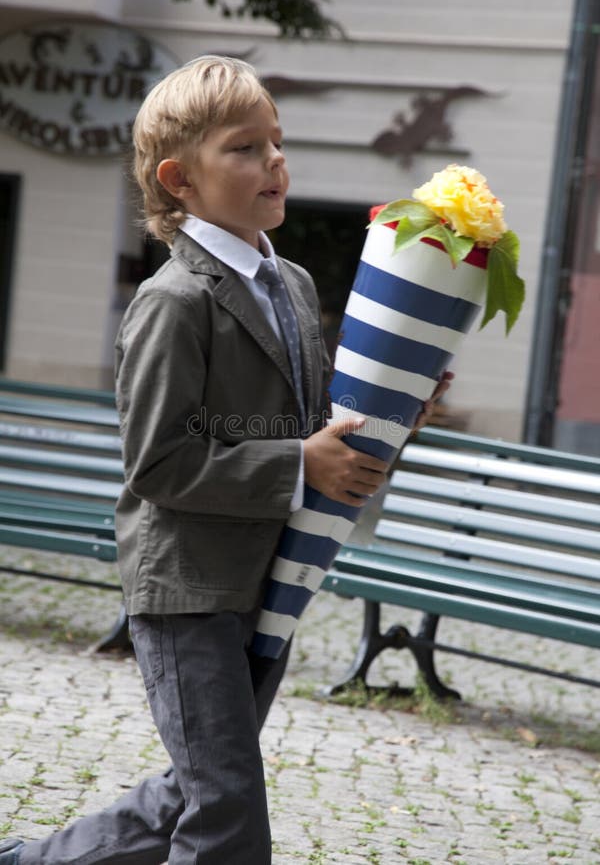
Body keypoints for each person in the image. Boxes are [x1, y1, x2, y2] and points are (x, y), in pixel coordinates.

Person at [0, 55, 451, 865]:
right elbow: (158, 461)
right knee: (226, 809)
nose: (274, 160)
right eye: (245, 148)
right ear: (181, 179)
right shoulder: (174, 302)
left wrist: (399, 412)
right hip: (186, 586)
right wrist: (296, 465)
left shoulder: (294, 283)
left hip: (267, 578)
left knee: (187, 792)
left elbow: (318, 435)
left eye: (276, 141)